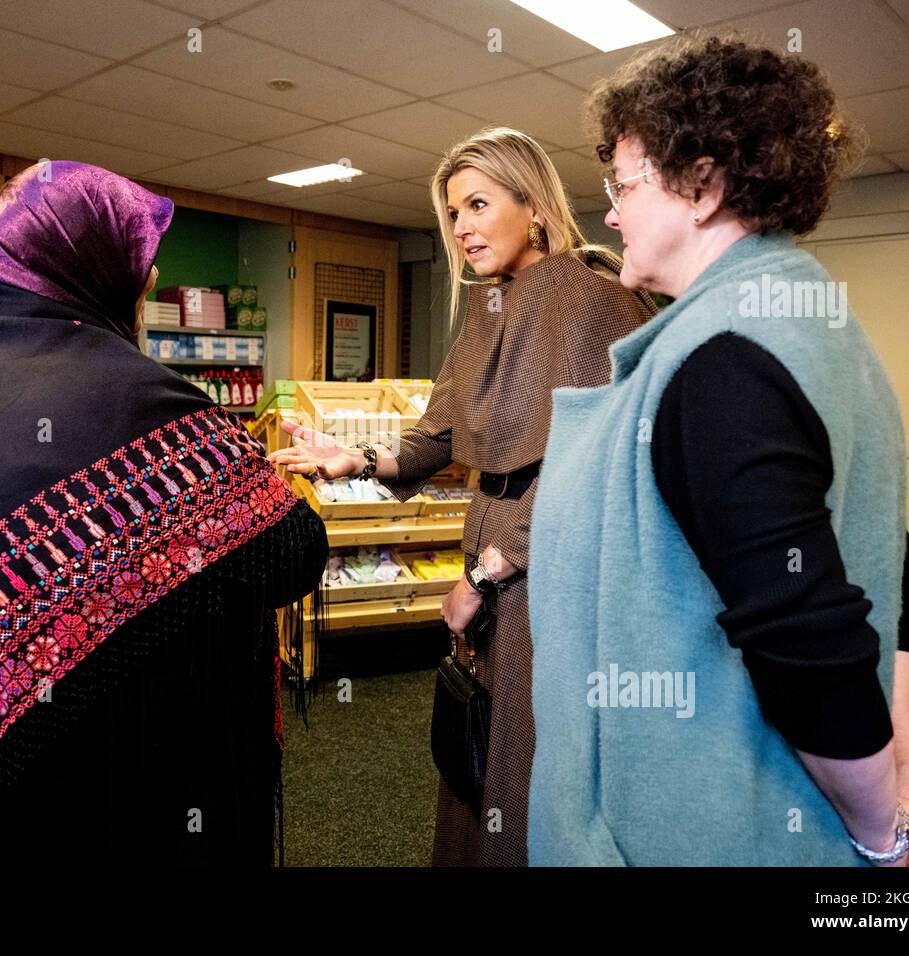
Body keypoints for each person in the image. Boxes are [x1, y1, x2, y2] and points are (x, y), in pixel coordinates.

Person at [528, 35, 909, 865]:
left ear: (702, 184)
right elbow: (885, 562)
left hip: (704, 824)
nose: (611, 213)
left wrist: (881, 832)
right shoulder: (812, 321)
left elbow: (809, 643)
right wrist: (900, 739)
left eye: (622, 185)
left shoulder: (721, 359)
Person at [0, 161, 327, 865]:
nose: (143, 298)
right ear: (92, 274)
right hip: (102, 803)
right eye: (140, 280)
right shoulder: (137, 401)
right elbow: (293, 551)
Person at [270, 127, 654, 866]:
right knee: (480, 749)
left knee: (527, 755)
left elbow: (599, 471)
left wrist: (488, 573)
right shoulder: (486, 310)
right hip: (493, 547)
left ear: (533, 205)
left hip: (551, 566)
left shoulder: (595, 301)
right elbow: (434, 439)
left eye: (478, 204)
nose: (462, 227)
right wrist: (355, 456)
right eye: (452, 212)